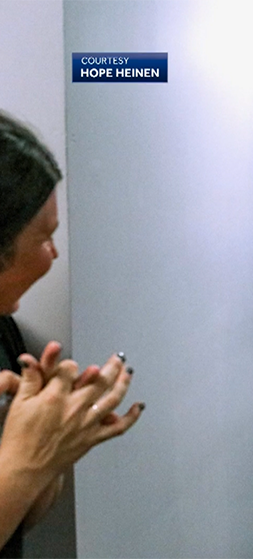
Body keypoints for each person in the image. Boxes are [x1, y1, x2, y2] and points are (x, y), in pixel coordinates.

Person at [0, 112, 143, 557]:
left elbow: (23, 517)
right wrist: (26, 462)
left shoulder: (6, 333)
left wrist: (53, 444)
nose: (54, 254)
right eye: (44, 237)